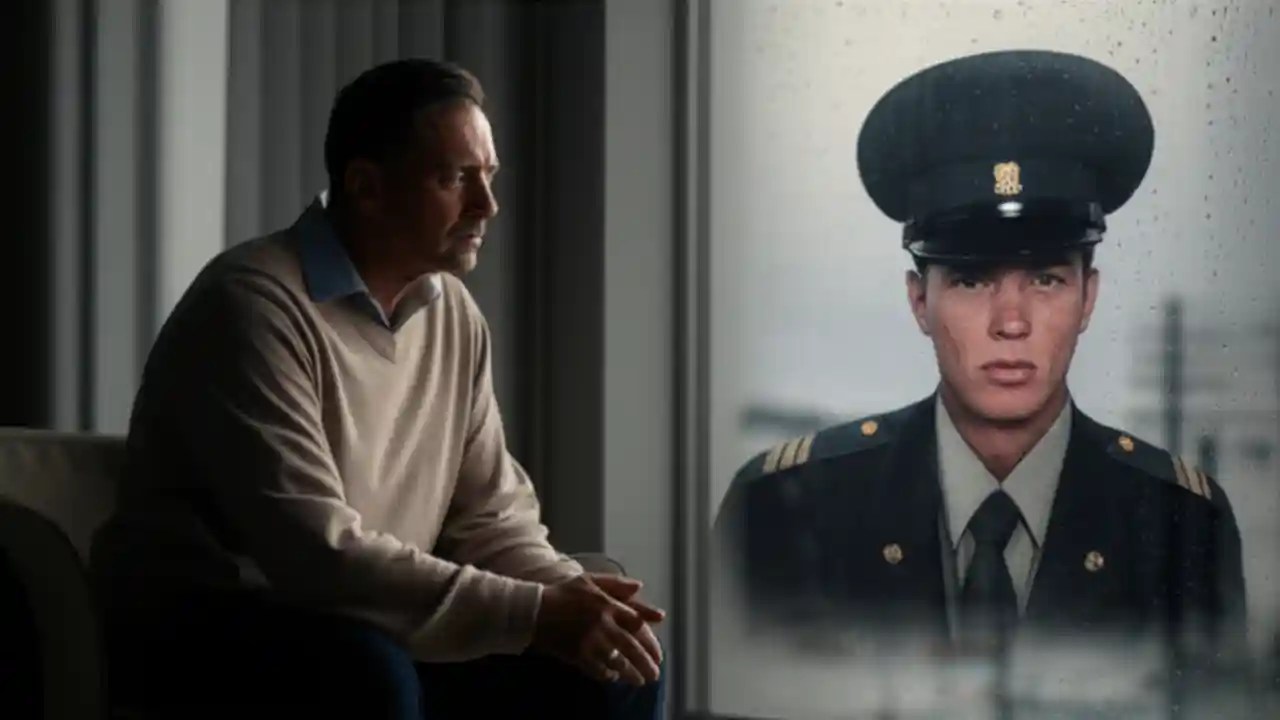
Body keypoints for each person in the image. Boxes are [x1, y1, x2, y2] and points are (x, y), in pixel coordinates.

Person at [90, 59, 665, 719]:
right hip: (214, 631)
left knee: (622, 666)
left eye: (489, 176)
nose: (488, 205)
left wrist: (577, 603)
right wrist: (536, 614)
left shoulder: (452, 314)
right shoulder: (253, 306)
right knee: (366, 672)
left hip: (365, 627)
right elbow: (314, 554)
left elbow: (490, 519)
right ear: (366, 186)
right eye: (455, 179)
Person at [713, 50, 1247, 661]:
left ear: (1087, 298)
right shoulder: (786, 510)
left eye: (1045, 279)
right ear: (920, 301)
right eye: (971, 280)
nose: (1011, 322)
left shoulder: (1180, 526)